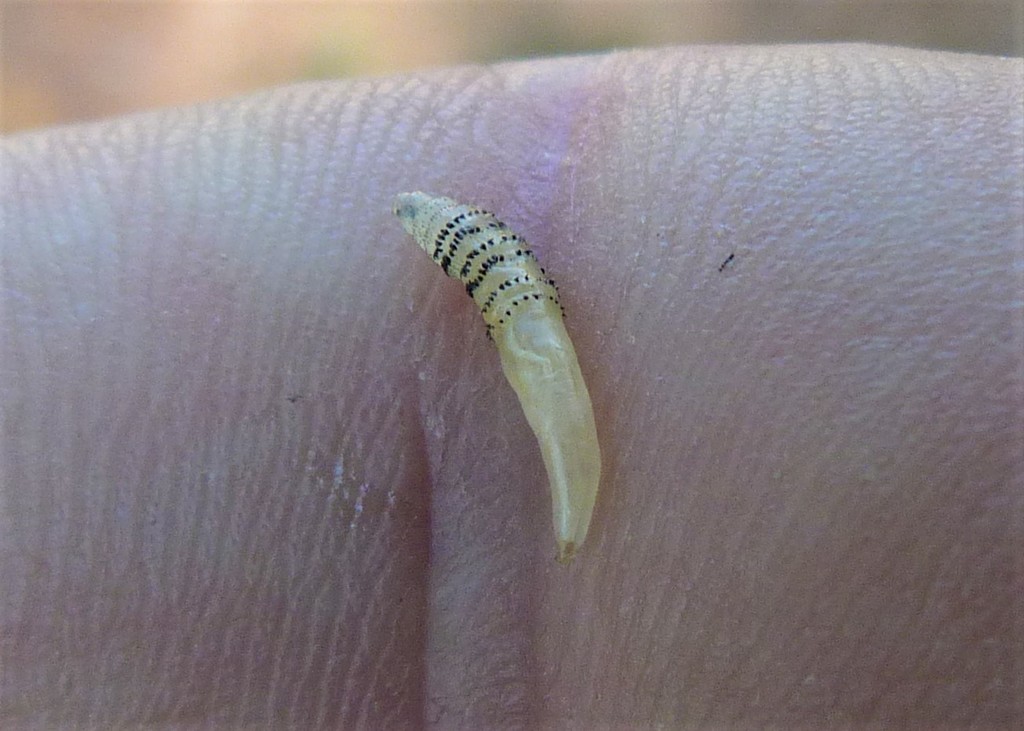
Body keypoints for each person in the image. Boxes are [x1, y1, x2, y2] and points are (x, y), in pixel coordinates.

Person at [1, 44, 1020, 727]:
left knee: (557, 408)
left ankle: (576, 504)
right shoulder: (471, 257)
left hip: (503, 286)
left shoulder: (489, 262)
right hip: (495, 280)